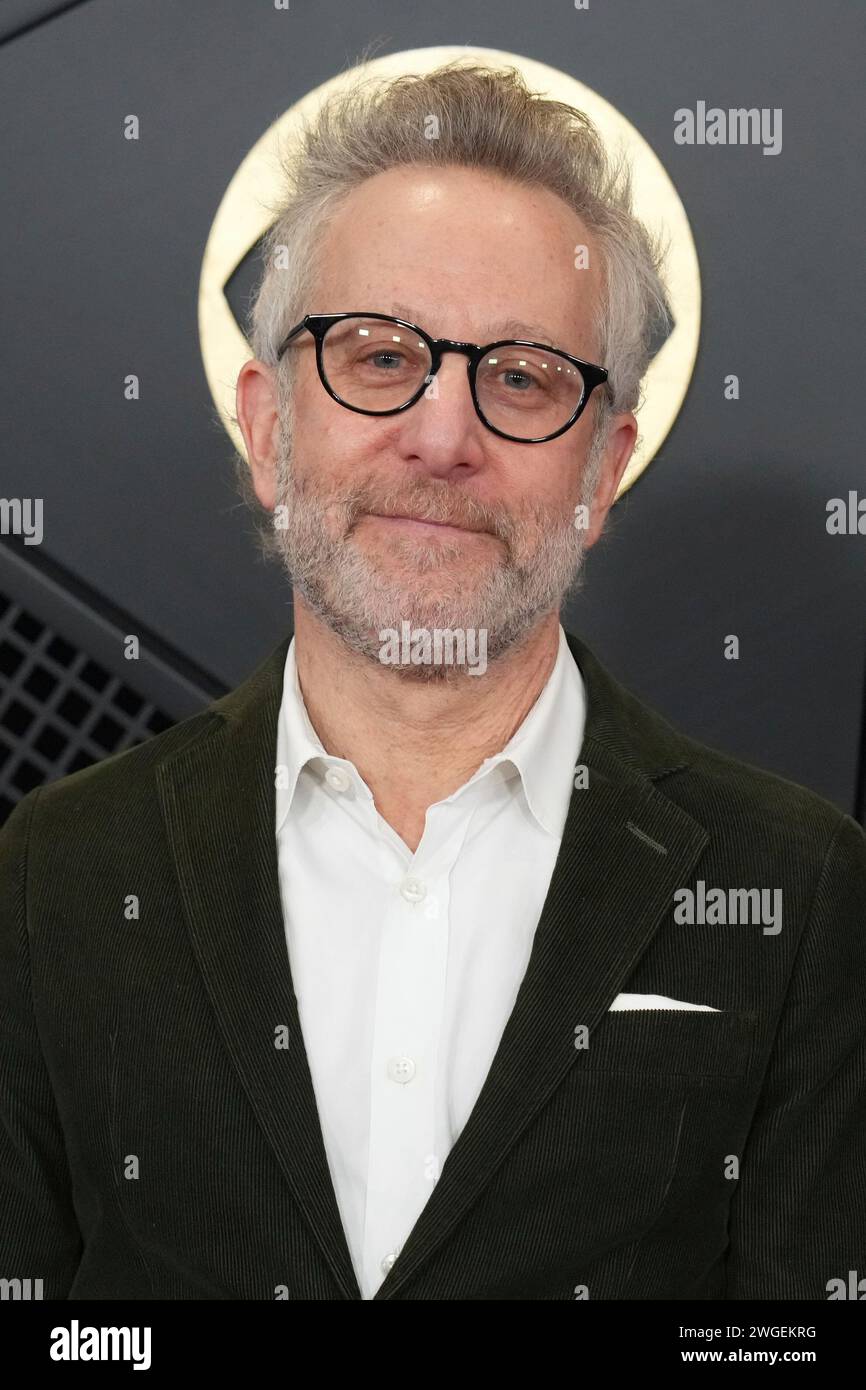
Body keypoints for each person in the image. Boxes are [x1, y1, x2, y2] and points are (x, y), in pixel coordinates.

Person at [1, 62, 864, 1302]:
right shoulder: (58, 872)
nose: (443, 437)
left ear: (600, 466)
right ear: (266, 429)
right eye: (375, 354)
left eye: (519, 377)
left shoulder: (796, 888)